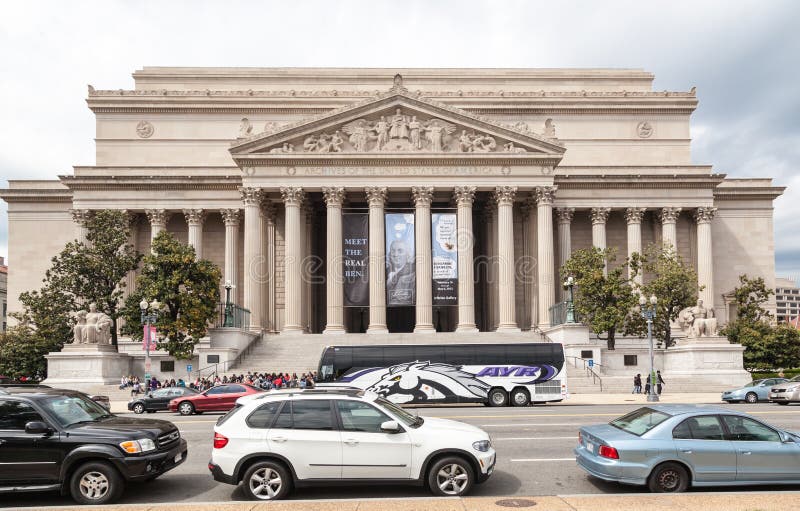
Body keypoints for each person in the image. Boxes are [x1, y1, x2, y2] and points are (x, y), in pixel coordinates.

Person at [386, 239, 415, 305]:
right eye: (393, 251)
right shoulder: (385, 272)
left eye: (400, 251)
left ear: (408, 254)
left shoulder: (413, 274)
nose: (395, 254)